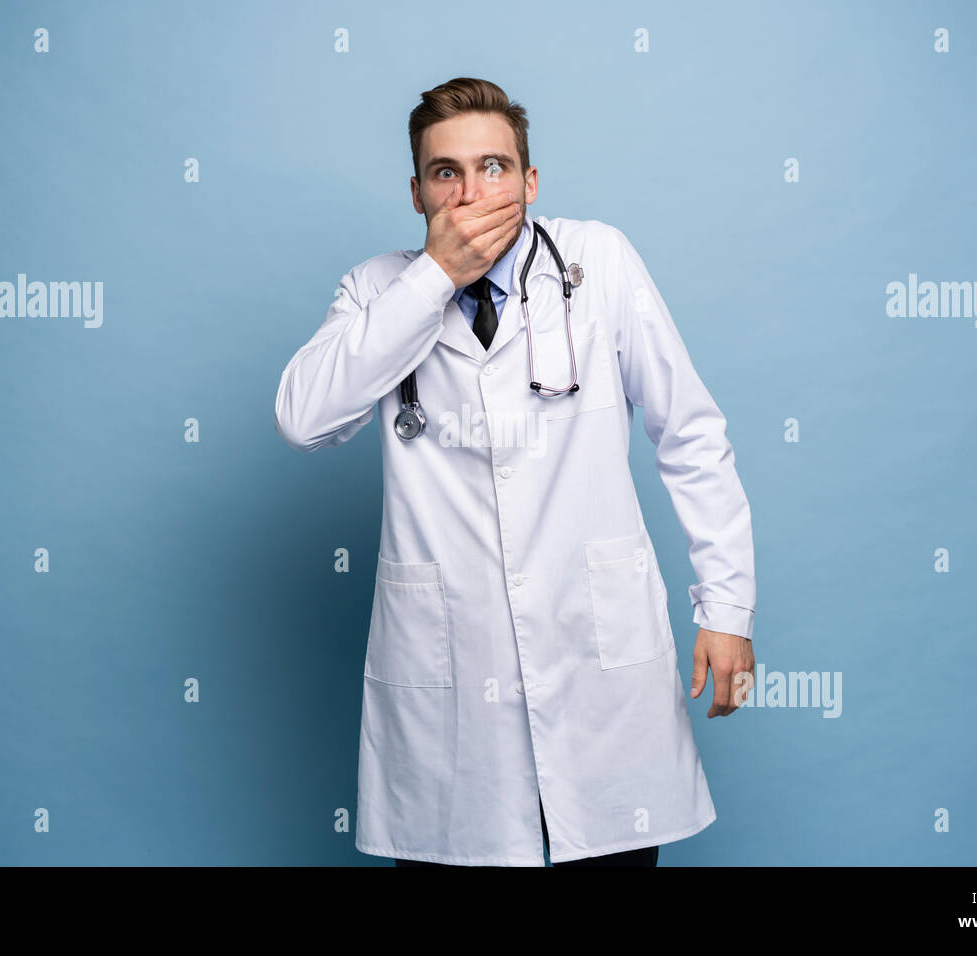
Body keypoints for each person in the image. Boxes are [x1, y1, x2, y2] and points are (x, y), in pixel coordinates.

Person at [275, 77, 756, 867]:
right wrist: (432, 278)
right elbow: (303, 419)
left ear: (530, 182)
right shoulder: (375, 290)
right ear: (417, 191)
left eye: (494, 167)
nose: (471, 193)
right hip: (449, 683)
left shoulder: (598, 261)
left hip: (595, 656)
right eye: (446, 173)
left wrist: (728, 606)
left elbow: (692, 436)